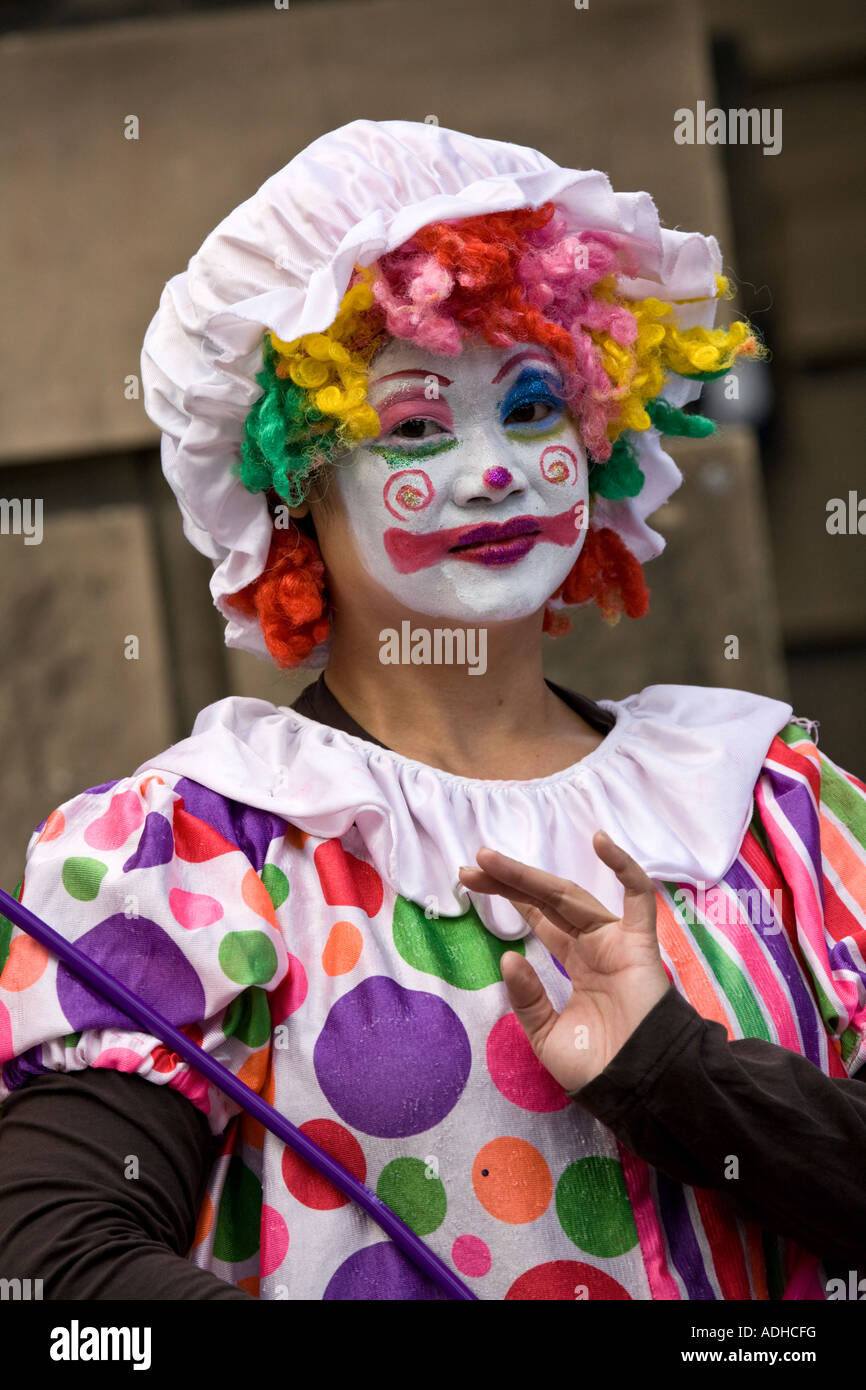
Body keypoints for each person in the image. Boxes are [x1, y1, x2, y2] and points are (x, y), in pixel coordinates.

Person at [0, 119, 864, 1302]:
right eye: (412, 426)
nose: (492, 466)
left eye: (528, 404)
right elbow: (51, 1273)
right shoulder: (205, 852)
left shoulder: (774, 803)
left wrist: (678, 1076)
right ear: (290, 485)